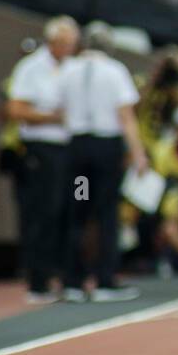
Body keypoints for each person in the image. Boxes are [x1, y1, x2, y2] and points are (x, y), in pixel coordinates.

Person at [59, 21, 147, 302]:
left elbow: (58, 108)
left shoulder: (67, 69)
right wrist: (138, 153)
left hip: (77, 147)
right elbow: (126, 116)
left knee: (78, 212)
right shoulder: (114, 70)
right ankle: (105, 281)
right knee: (107, 213)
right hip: (105, 148)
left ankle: (72, 281)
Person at [6, 16, 79, 302]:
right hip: (41, 148)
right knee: (43, 212)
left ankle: (64, 277)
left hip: (69, 147)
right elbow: (15, 110)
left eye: (72, 44)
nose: (68, 49)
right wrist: (53, 116)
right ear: (52, 42)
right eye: (64, 43)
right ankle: (37, 282)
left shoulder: (74, 67)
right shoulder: (30, 68)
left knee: (67, 211)